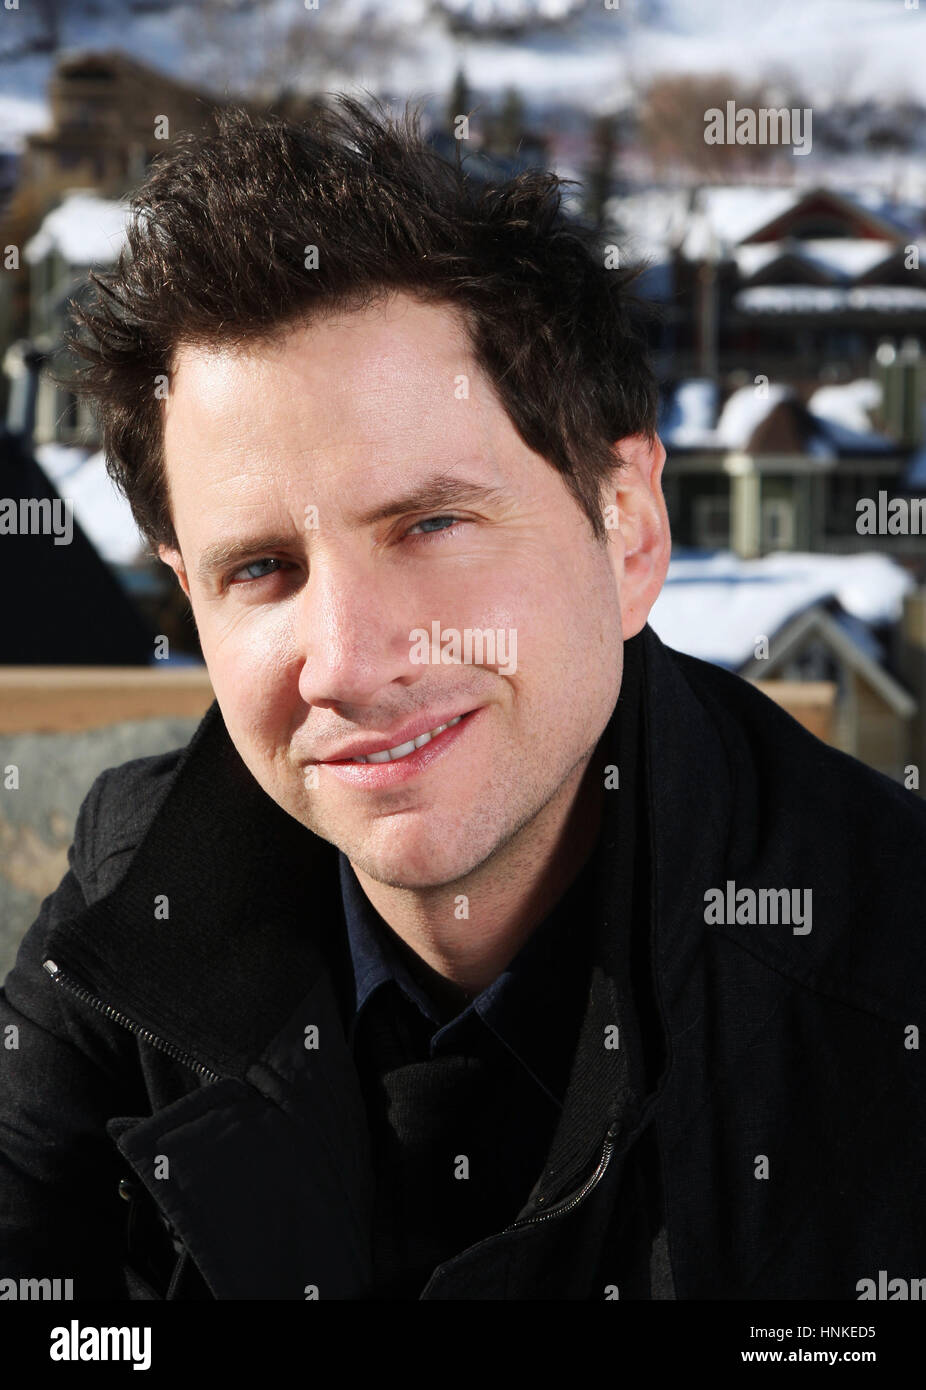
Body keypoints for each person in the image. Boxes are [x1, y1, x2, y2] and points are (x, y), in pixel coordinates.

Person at [1, 97, 924, 1302]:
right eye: (262, 569)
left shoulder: (877, 974)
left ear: (629, 527)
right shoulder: (134, 898)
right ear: (191, 600)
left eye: (431, 524)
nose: (346, 659)